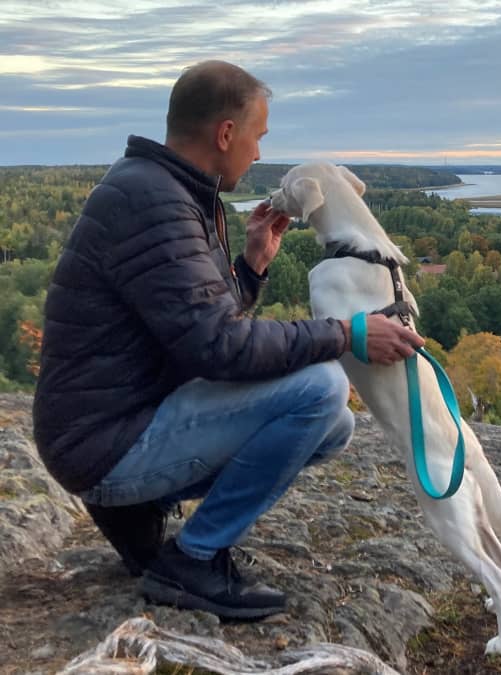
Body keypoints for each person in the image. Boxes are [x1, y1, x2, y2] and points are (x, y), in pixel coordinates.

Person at [31, 60, 423, 620]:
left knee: (335, 425)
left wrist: (251, 266)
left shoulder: (167, 190)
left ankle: (139, 510)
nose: (259, 153)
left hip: (120, 422)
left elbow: (195, 322)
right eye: (258, 136)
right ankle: (192, 559)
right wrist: (346, 333)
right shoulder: (154, 202)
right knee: (320, 390)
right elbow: (219, 346)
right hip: (104, 443)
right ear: (225, 133)